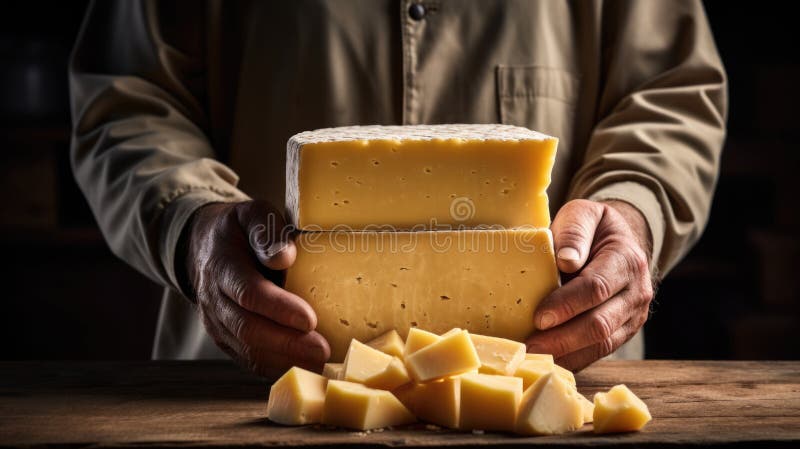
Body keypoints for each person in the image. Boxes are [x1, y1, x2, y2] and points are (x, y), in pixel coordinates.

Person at [69, 0, 727, 378]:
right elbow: (127, 98)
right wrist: (190, 227)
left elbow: (668, 93)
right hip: (251, 384)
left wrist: (636, 209)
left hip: (554, 381)